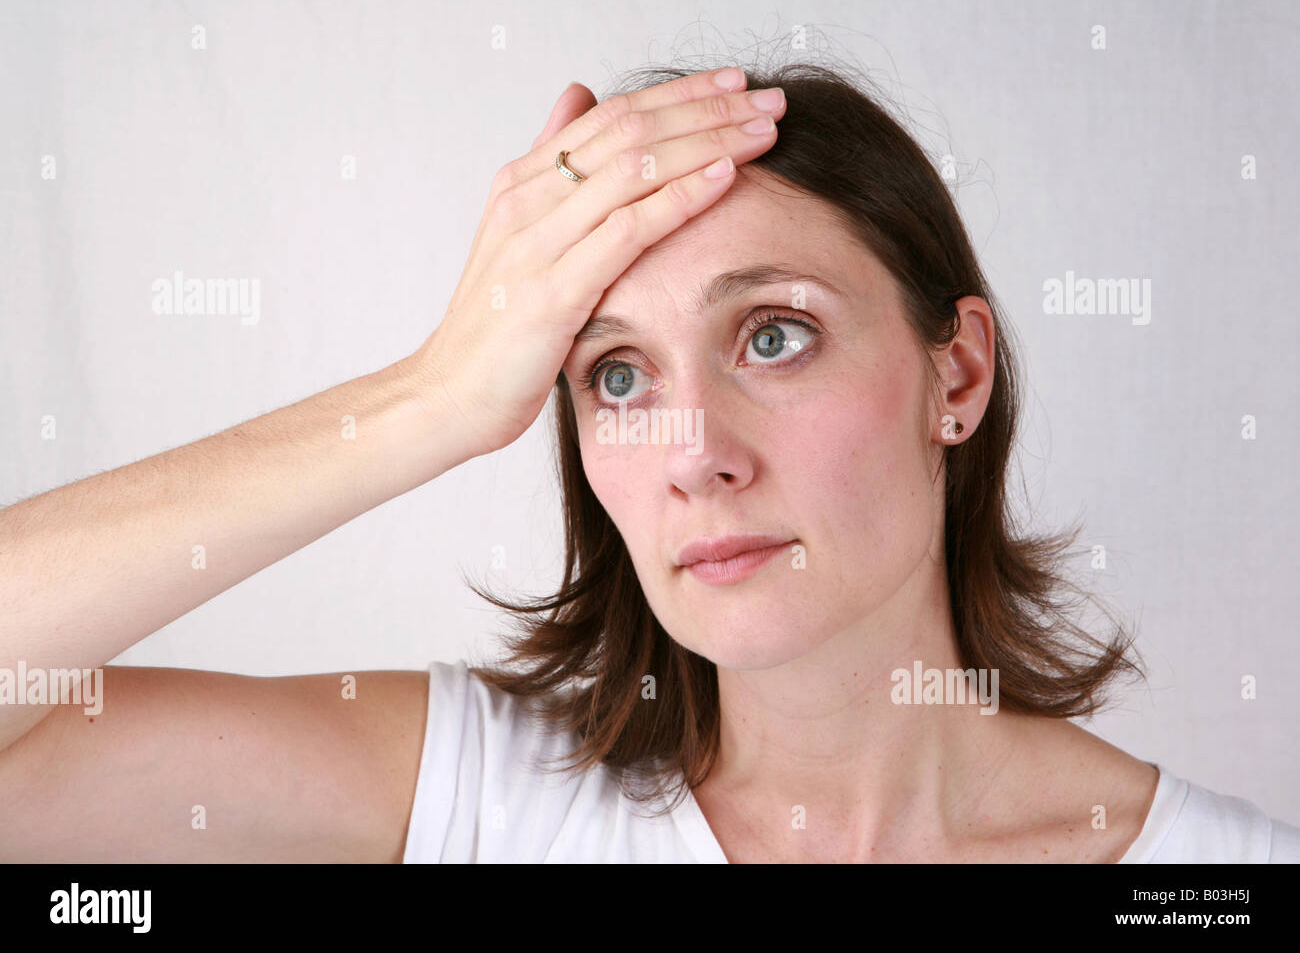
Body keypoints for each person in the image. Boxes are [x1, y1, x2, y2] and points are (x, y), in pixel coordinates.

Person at [0, 61, 1294, 863]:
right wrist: (432, 398)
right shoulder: (478, 802)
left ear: (954, 377)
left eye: (774, 336)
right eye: (617, 376)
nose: (695, 458)